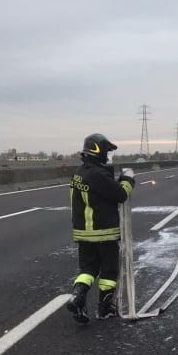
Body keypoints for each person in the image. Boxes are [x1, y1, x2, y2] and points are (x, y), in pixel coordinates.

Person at [66, 133, 135, 323]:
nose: (108, 156)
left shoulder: (79, 173)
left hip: (83, 233)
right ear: (98, 151)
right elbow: (120, 194)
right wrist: (128, 179)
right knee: (109, 272)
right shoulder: (97, 175)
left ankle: (78, 297)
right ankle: (105, 309)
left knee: (87, 269)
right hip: (104, 232)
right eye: (106, 151)